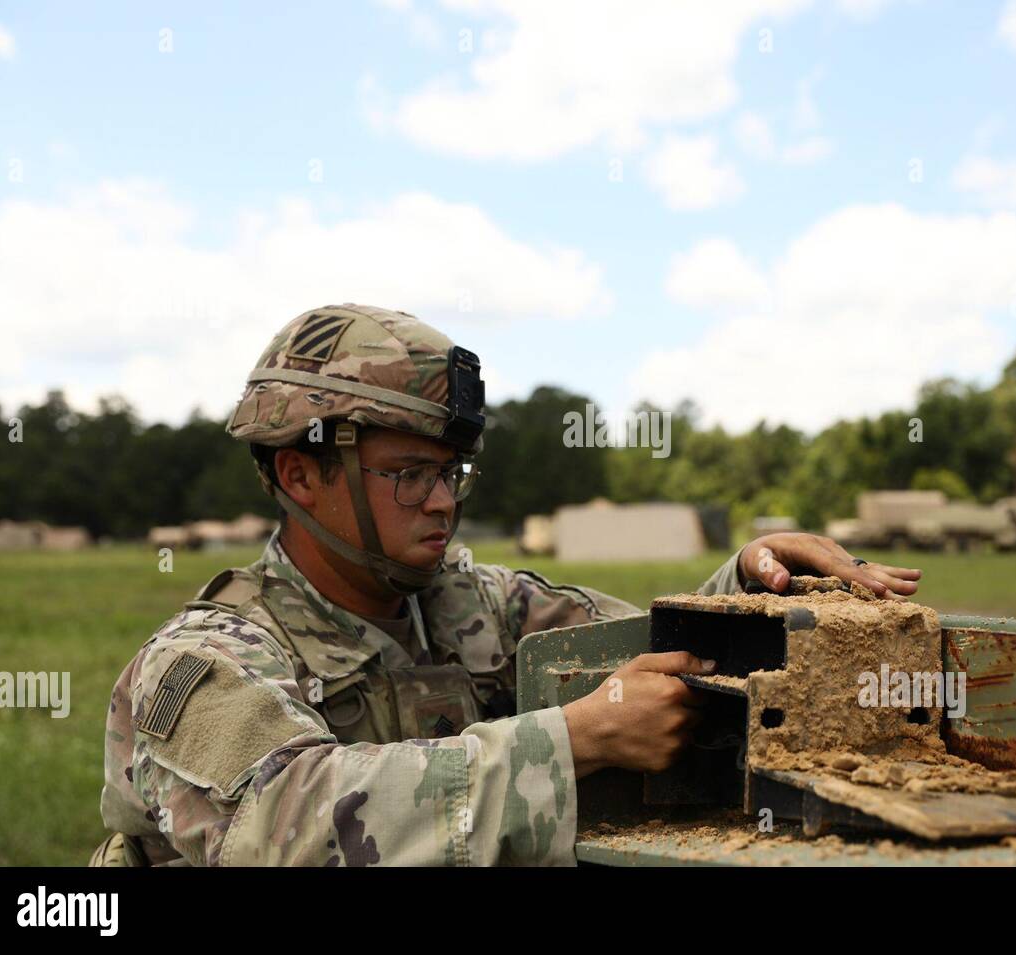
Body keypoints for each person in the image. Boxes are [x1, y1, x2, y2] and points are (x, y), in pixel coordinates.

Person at [90, 303, 921, 866]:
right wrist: (576, 740)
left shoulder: (479, 607)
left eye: (453, 472)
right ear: (301, 475)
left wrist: (747, 583)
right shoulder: (205, 663)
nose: (444, 501)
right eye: (410, 474)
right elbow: (286, 825)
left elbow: (653, 658)